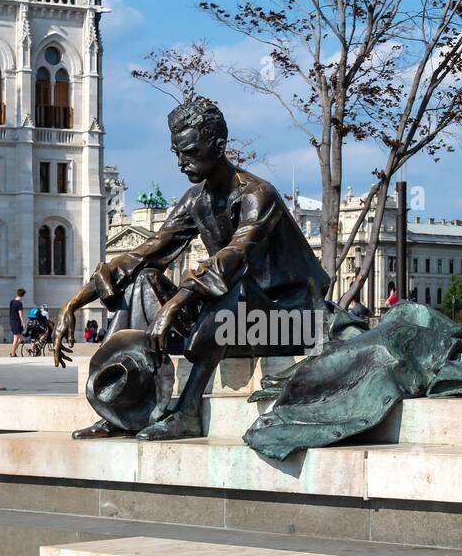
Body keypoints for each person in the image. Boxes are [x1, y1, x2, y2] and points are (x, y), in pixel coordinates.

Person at [49, 95, 329, 440]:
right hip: (239, 321)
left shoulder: (258, 195)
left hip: (289, 323)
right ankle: (124, 406)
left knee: (231, 280)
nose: (181, 163)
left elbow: (233, 257)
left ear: (219, 145)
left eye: (190, 152)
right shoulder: (196, 199)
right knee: (144, 279)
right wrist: (73, 303)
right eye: (177, 153)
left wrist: (176, 304)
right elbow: (145, 253)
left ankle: (189, 411)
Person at [8, 288, 27, 357]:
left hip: (12, 321)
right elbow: (20, 314)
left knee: (19, 338)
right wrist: (24, 323)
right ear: (23, 295)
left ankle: (13, 352)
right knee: (17, 338)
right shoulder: (19, 303)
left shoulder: (12, 301)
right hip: (16, 322)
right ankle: (13, 353)